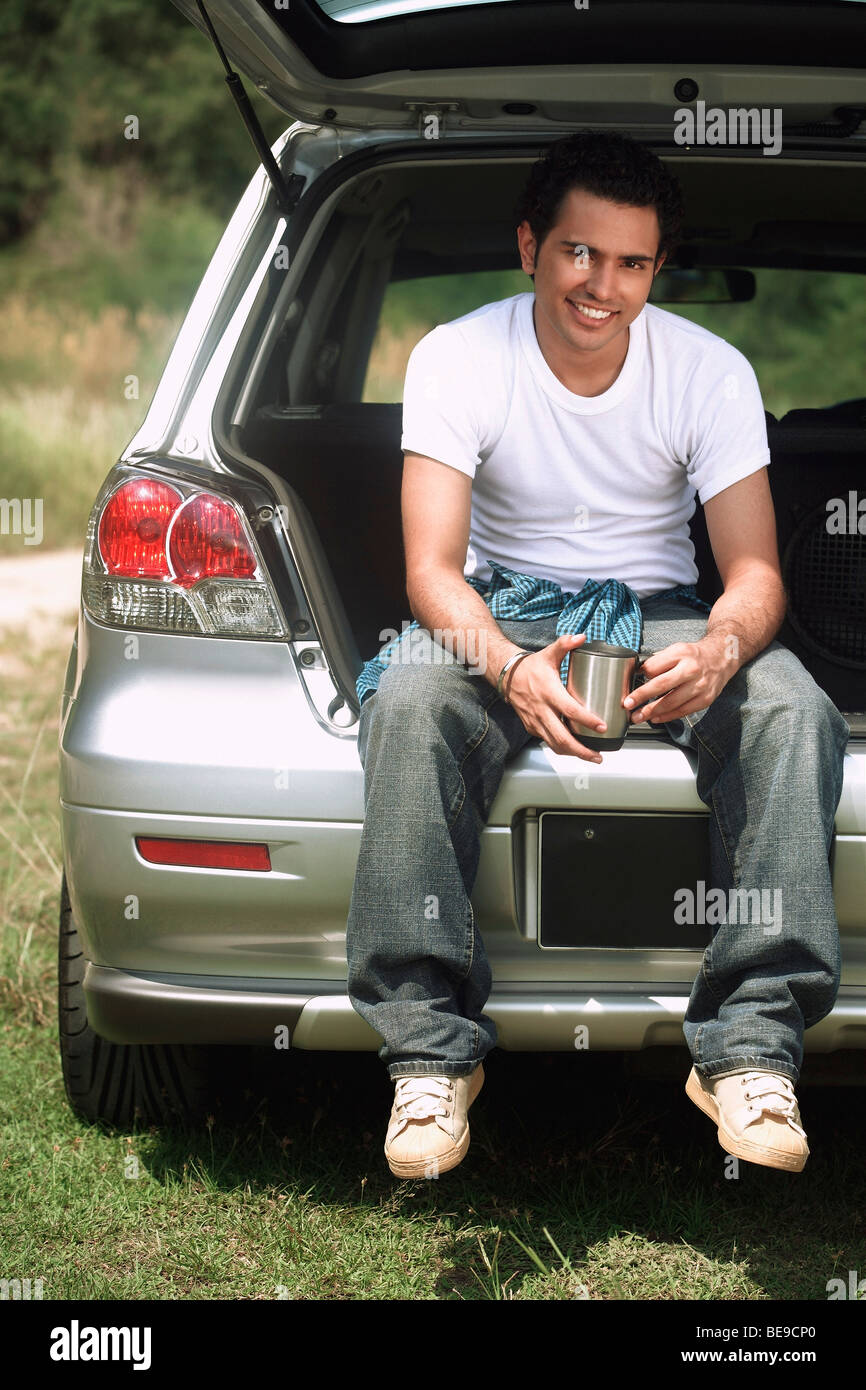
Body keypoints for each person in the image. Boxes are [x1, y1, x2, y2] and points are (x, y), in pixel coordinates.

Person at [345, 131, 850, 1179]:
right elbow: (432, 573)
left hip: (658, 614)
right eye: (579, 253)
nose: (600, 285)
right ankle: (429, 1061)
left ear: (655, 269)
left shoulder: (707, 370)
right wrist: (512, 669)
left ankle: (749, 1053)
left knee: (790, 707)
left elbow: (753, 575)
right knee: (404, 699)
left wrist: (716, 648)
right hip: (496, 607)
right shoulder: (457, 353)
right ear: (531, 246)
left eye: (628, 263)